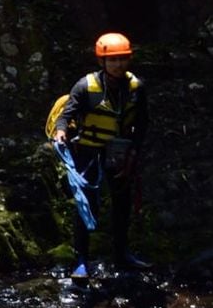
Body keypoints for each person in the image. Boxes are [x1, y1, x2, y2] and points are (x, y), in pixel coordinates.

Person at [52, 31, 147, 278]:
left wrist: (134, 151)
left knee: (121, 205)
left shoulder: (136, 87)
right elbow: (66, 115)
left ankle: (121, 255)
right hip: (88, 151)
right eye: (113, 60)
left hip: (119, 154)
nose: (118, 64)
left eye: (123, 59)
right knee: (86, 206)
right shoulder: (85, 86)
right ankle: (80, 260)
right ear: (102, 61)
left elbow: (143, 123)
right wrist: (61, 132)